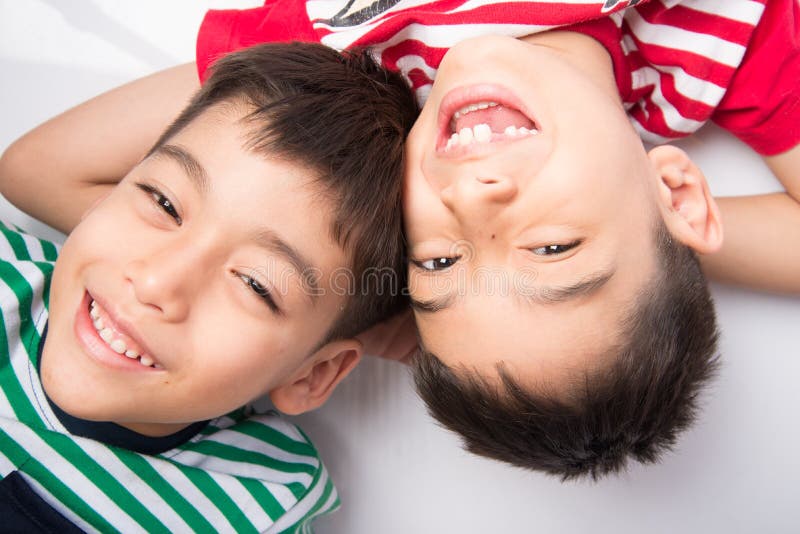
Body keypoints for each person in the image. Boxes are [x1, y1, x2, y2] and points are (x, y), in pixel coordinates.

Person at [6, 0, 799, 481]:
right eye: (555, 248)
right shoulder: (702, 34)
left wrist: (364, 300)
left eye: (441, 260)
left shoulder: (347, 69)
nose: (477, 201)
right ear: (678, 195)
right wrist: (647, 212)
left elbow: (39, 170)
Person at [0, 41, 417, 531]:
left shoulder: (261, 502)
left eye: (255, 285)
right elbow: (32, 167)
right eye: (164, 203)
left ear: (312, 374)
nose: (156, 283)